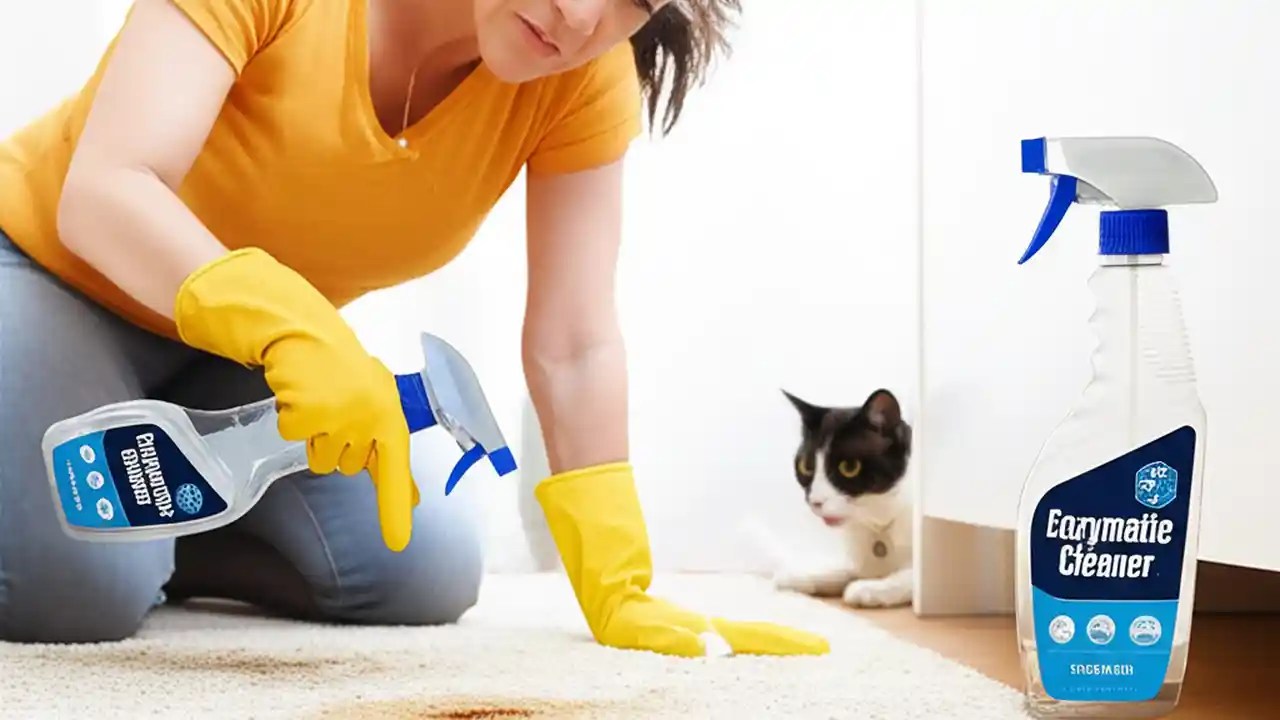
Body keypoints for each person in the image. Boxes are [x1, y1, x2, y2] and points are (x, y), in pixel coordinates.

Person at [0, 0, 828, 657]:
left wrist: (618, 579)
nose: (581, 13)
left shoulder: (580, 75)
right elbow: (107, 189)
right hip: (51, 274)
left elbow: (574, 341)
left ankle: (159, 549)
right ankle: (116, 554)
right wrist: (294, 330)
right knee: (73, 592)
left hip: (235, 349)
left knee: (421, 572)